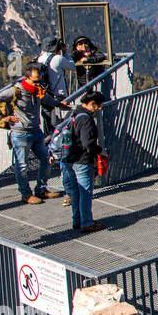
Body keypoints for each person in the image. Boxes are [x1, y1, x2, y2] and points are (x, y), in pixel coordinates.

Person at [0, 63, 69, 204]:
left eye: (40, 80)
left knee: (46, 159)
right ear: (27, 78)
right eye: (35, 80)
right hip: (20, 133)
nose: (38, 83)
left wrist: (61, 105)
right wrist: (2, 117)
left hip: (36, 131)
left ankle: (41, 189)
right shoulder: (16, 91)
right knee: (22, 165)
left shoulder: (37, 90)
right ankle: (26, 194)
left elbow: (46, 100)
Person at [60, 91, 106, 233]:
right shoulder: (86, 119)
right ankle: (86, 222)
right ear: (93, 104)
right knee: (85, 192)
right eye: (98, 107)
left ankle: (77, 220)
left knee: (75, 192)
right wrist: (99, 151)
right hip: (82, 160)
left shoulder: (73, 113)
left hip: (69, 159)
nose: (98, 110)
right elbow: (88, 143)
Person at [36, 38, 75, 131]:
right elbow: (73, 66)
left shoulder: (39, 59)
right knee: (60, 125)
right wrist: (65, 53)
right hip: (58, 95)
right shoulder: (58, 58)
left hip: (45, 95)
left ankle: (48, 141)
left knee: (48, 122)